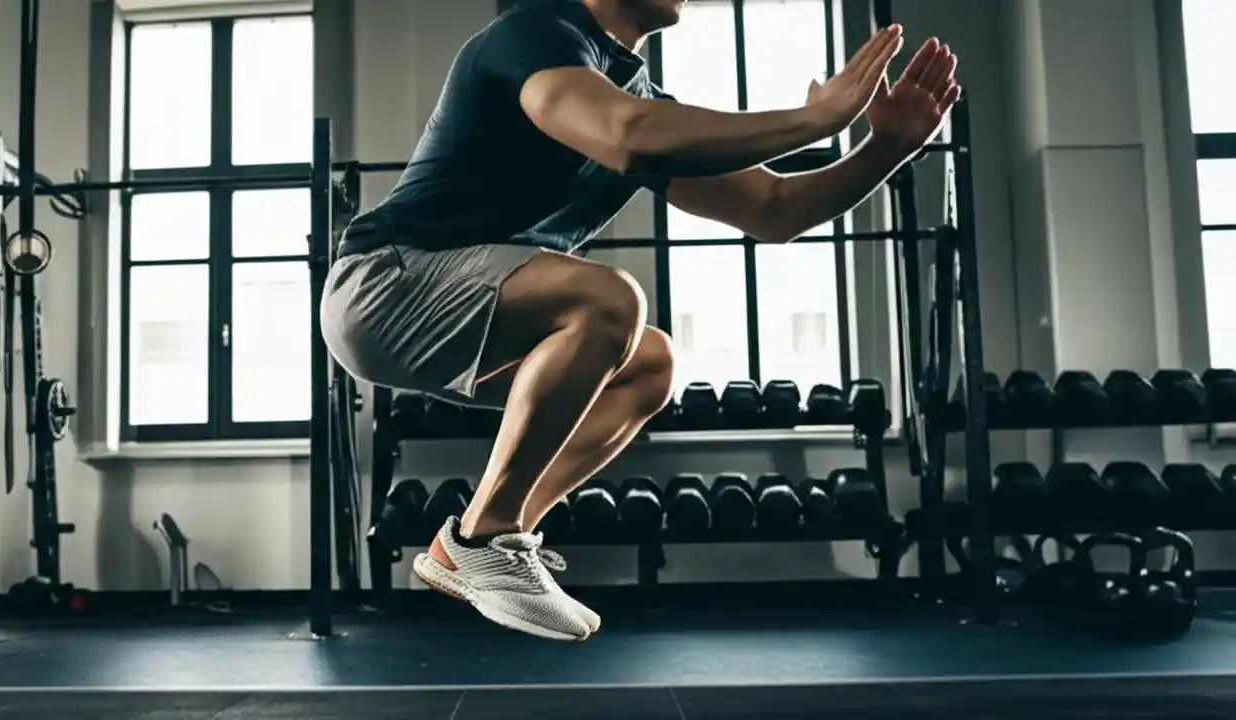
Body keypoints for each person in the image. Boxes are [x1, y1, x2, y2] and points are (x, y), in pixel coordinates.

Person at [322, 0, 959, 641]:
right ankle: (487, 537)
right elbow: (624, 134)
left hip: (458, 311)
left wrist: (886, 149)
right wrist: (815, 118)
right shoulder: (539, 34)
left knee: (651, 365)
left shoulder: (640, 96)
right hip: (386, 283)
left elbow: (774, 209)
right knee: (608, 300)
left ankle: (482, 541)